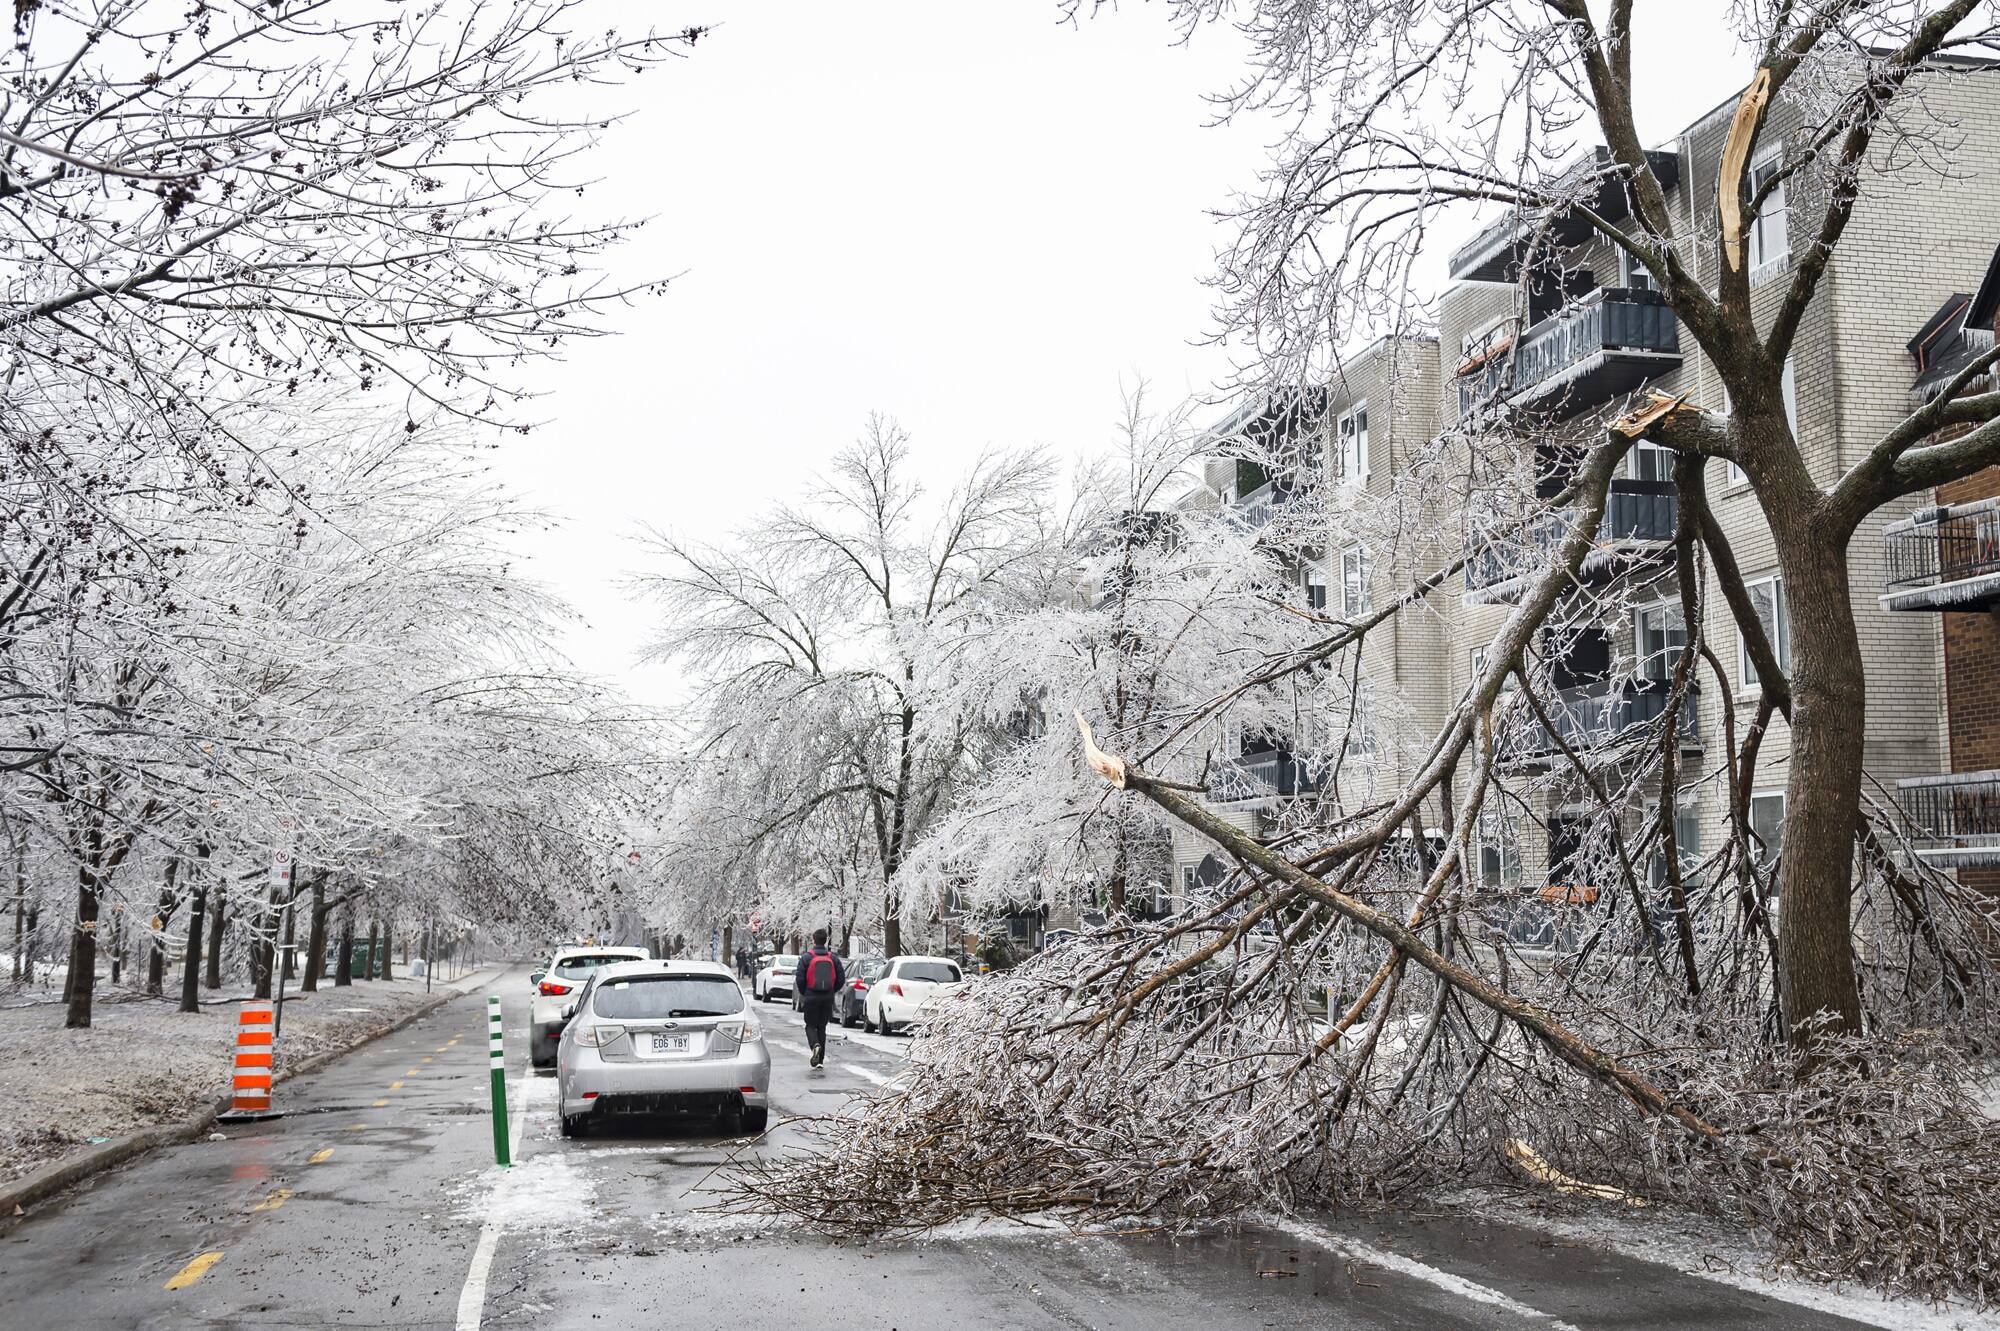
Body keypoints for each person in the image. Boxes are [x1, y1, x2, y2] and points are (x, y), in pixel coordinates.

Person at [793, 929, 845, 1069]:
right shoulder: (833, 958)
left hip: (811, 996)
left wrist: (805, 992)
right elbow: (841, 979)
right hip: (827, 997)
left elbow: (800, 978)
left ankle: (814, 1045)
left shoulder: (806, 958)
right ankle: (820, 1060)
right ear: (826, 940)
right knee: (822, 1027)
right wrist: (831, 990)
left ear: (813, 940)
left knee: (810, 1025)